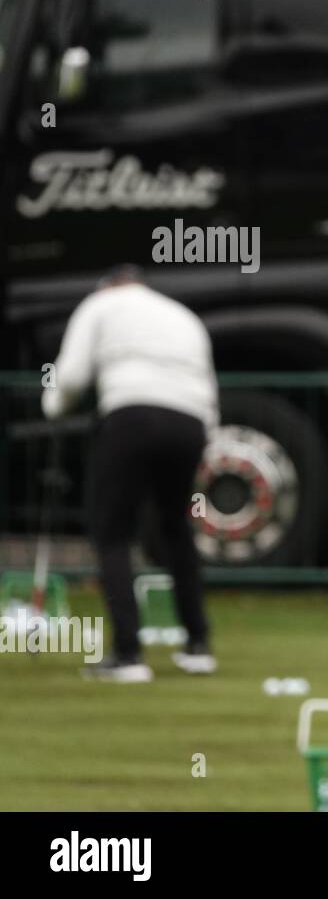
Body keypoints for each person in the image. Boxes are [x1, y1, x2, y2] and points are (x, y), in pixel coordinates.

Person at [41, 264, 219, 682]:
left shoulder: (100, 304)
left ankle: (128, 653)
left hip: (130, 415)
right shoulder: (183, 316)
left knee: (112, 532)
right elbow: (208, 388)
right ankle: (198, 645)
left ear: (108, 284)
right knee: (174, 527)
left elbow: (70, 377)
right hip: (189, 423)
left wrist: (53, 409)